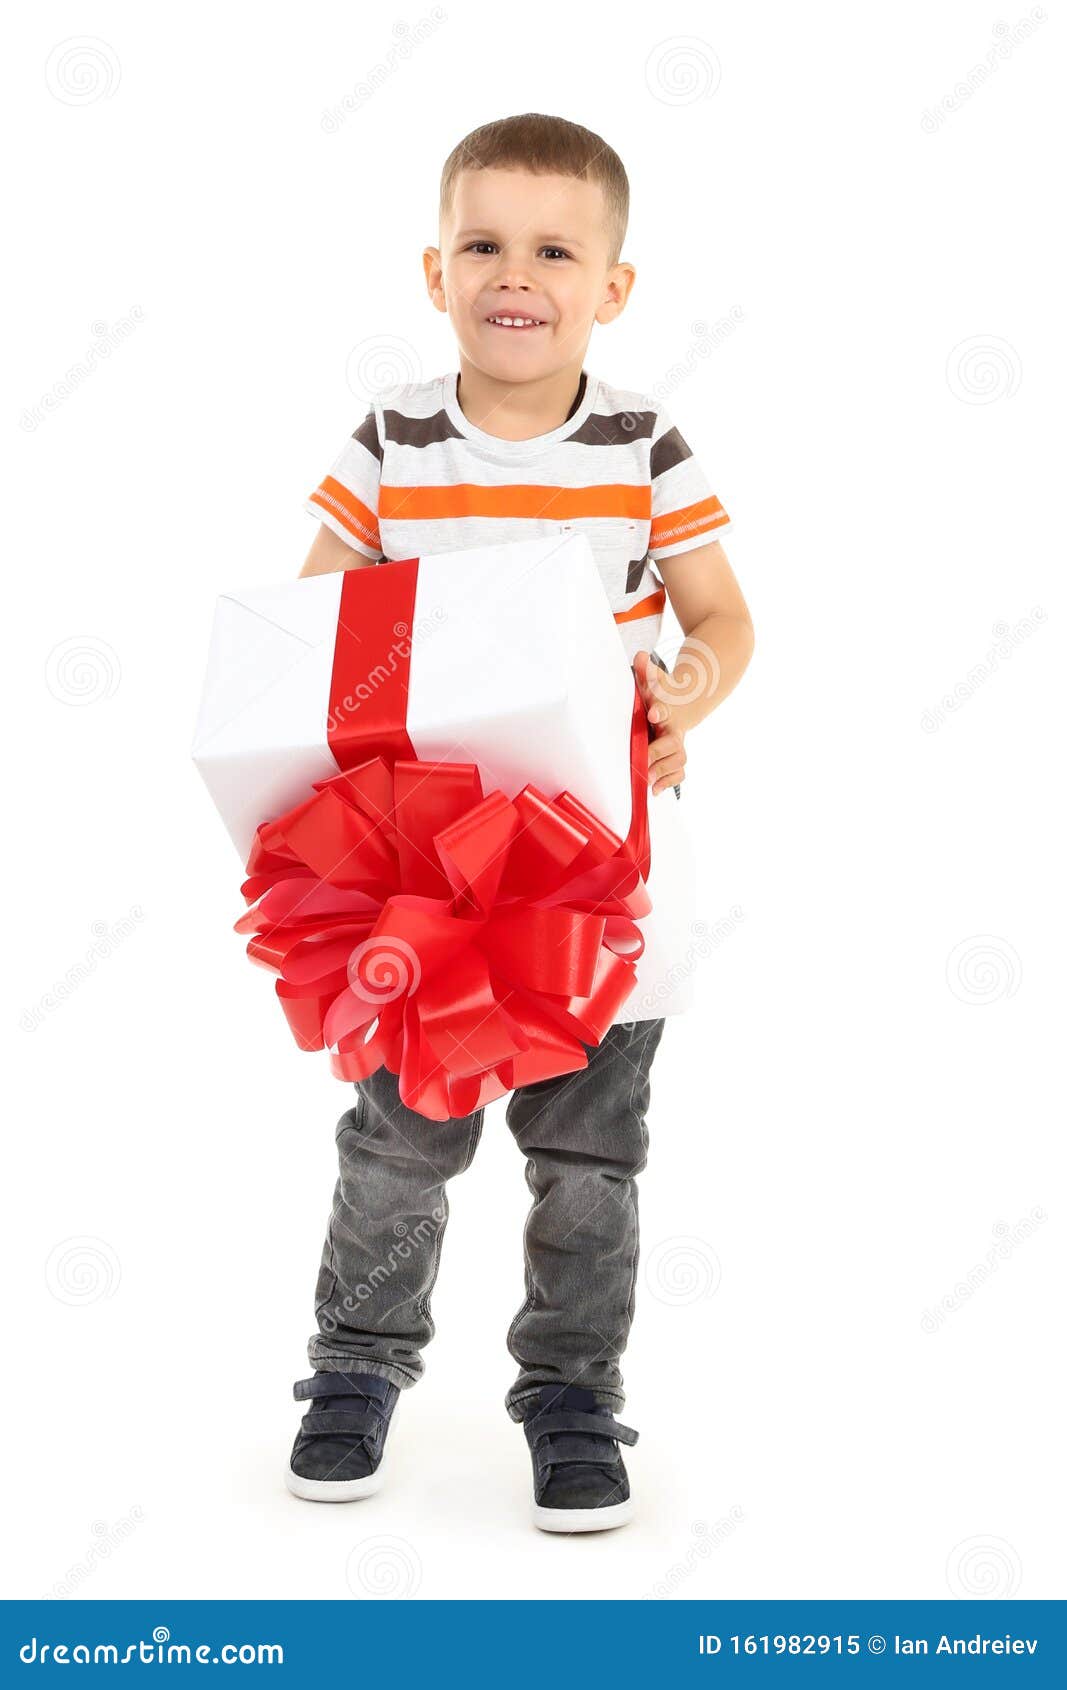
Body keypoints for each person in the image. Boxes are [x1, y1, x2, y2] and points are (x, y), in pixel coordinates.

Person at [287, 112, 755, 1532]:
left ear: (610, 286)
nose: (517, 272)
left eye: (556, 249)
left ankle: (570, 1392)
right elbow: (313, 611)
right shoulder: (394, 439)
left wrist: (688, 685)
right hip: (427, 887)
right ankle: (356, 1370)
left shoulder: (639, 440)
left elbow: (723, 614)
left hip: (599, 878)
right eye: (484, 243)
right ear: (436, 272)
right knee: (399, 1144)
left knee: (590, 1154)